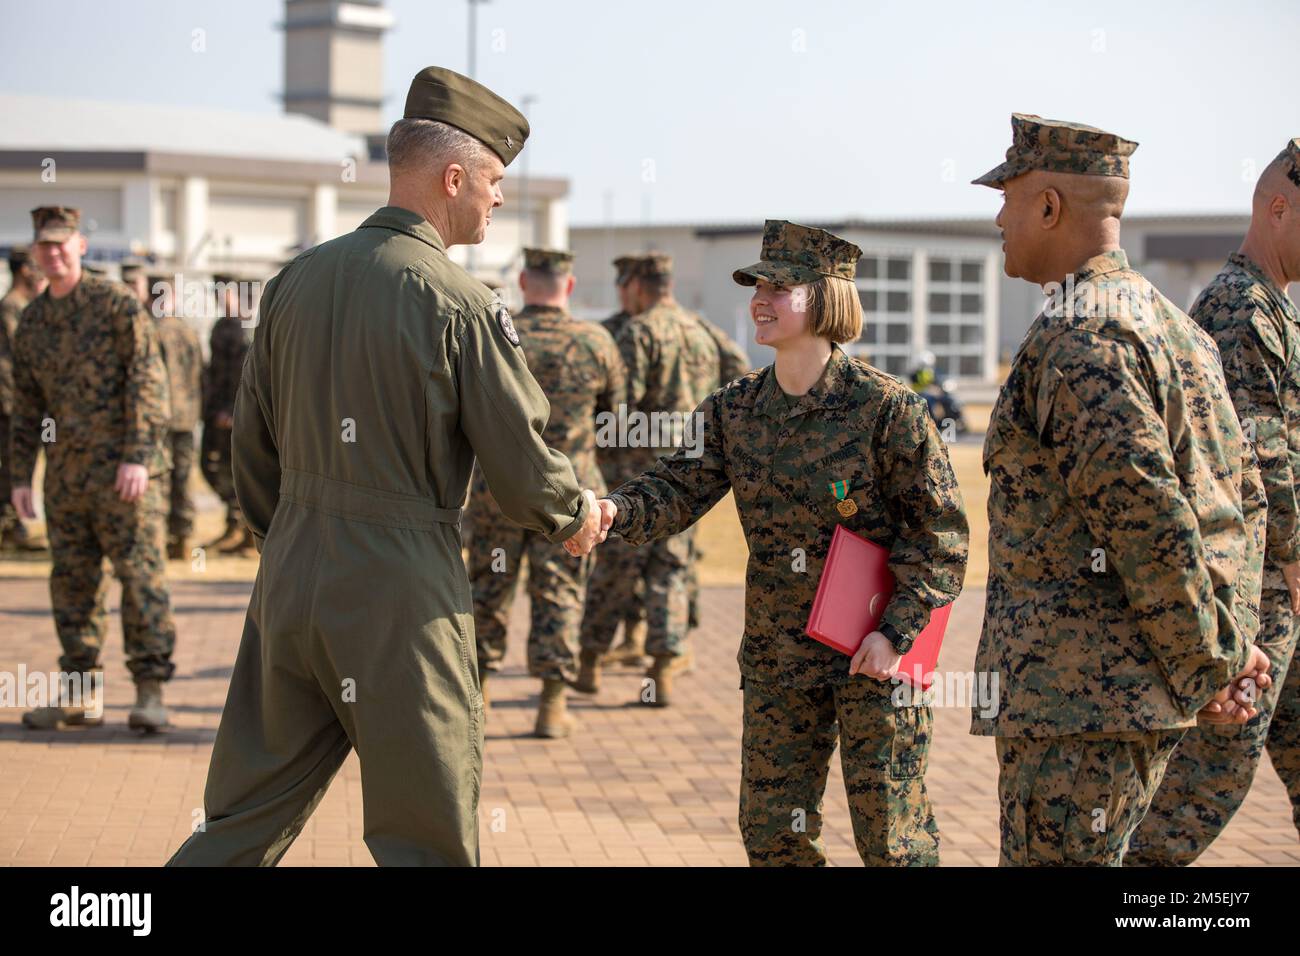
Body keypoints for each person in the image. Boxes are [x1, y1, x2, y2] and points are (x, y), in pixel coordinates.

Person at [166, 67, 606, 867]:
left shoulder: (294, 280)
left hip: (292, 574)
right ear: (452, 178)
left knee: (238, 820)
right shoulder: (459, 301)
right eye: (494, 180)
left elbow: (251, 452)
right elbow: (519, 461)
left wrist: (301, 531)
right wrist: (575, 515)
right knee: (427, 835)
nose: (499, 198)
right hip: (399, 592)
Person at [592, 220, 968, 864]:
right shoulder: (734, 409)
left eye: (780, 286)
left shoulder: (886, 408)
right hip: (779, 659)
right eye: (756, 285)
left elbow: (940, 536)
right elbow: (675, 489)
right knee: (773, 838)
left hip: (873, 654)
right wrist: (609, 512)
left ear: (826, 298)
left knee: (892, 841)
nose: (760, 299)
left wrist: (897, 632)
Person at [969, 114, 1271, 866]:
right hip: (1119, 700)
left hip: (1083, 707)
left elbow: (1149, 525)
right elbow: (1239, 504)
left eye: (1008, 196)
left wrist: (1212, 666)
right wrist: (1229, 650)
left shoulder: (1082, 334)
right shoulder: (1173, 327)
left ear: (1048, 206)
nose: (998, 217)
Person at [1130, 137, 1300, 861]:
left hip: (1282, 583)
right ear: (1278, 207)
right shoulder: (1238, 309)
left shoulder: (1274, 308)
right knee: (1208, 782)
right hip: (1261, 586)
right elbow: (1263, 455)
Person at [10, 207, 175, 732]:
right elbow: (25, 406)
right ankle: (81, 696)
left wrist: (139, 456)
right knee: (74, 584)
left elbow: (148, 381)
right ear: (35, 253)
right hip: (66, 479)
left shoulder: (115, 306)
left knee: (140, 579)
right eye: (44, 246)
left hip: (125, 477)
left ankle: (149, 693)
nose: (53, 253)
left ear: (81, 246)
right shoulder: (32, 321)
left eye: (62, 244)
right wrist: (18, 477)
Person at [466, 247, 623, 737]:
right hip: (567, 497)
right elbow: (613, 418)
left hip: (499, 490)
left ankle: (480, 692)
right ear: (569, 286)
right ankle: (552, 706)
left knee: (488, 590)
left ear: (523, 280)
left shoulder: (497, 335)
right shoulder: (596, 341)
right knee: (559, 591)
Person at [575, 253, 719, 705]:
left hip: (638, 473)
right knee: (670, 571)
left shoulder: (640, 331)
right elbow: (735, 380)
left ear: (638, 285)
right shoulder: (701, 330)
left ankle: (590, 664)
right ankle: (661, 670)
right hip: (689, 471)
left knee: (615, 570)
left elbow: (621, 404)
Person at [141, 271, 204, 560]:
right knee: (182, 476)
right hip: (186, 415)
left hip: (160, 417)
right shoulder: (187, 329)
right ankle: (183, 535)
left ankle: (160, 534)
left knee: (159, 477)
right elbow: (200, 372)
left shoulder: (149, 329)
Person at [200, 273, 252, 555]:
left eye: (225, 291)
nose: (220, 296)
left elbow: (244, 377)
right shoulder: (222, 325)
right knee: (211, 467)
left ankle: (241, 529)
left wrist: (233, 412)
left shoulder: (246, 329)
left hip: (232, 413)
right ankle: (235, 525)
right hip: (214, 411)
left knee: (234, 469)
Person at [0, 243, 47, 552]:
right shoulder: (13, 306)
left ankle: (13, 522)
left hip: (15, 398)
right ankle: (9, 524)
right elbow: (21, 355)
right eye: (35, 267)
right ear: (23, 270)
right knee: (10, 463)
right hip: (10, 400)